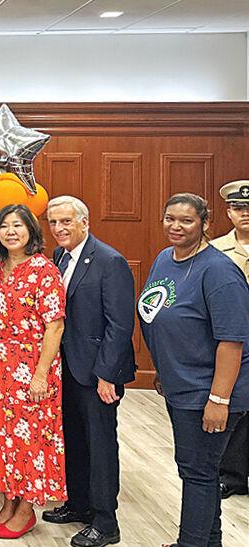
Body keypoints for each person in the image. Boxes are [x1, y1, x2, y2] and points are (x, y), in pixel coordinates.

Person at [139, 193, 249, 547]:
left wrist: (219, 399)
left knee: (198, 473)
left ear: (205, 222)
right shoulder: (163, 259)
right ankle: (208, 542)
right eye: (170, 218)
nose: (176, 226)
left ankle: (191, 543)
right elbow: (160, 317)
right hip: (179, 384)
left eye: (186, 220)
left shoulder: (220, 271)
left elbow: (232, 341)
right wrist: (162, 368)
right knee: (198, 470)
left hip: (209, 390)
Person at [43, 195, 136, 547]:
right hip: (66, 369)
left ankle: (105, 521)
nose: (59, 229)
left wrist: (106, 375)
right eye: (54, 222)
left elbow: (119, 324)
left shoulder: (109, 261)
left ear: (85, 222)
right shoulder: (58, 257)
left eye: (66, 221)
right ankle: (78, 503)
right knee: (74, 441)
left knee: (99, 446)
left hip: (98, 374)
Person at [0, 204, 67, 540]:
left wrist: (41, 374)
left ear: (31, 230)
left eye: (18, 225)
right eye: (4, 226)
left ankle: (27, 509)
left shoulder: (44, 270)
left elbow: (55, 327)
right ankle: (8, 502)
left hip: (32, 366)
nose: (10, 232)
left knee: (31, 439)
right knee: (1, 437)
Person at [212, 180, 249, 500]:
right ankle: (233, 474)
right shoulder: (215, 250)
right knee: (237, 405)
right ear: (228, 212)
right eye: (238, 208)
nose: (245, 214)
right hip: (233, 338)